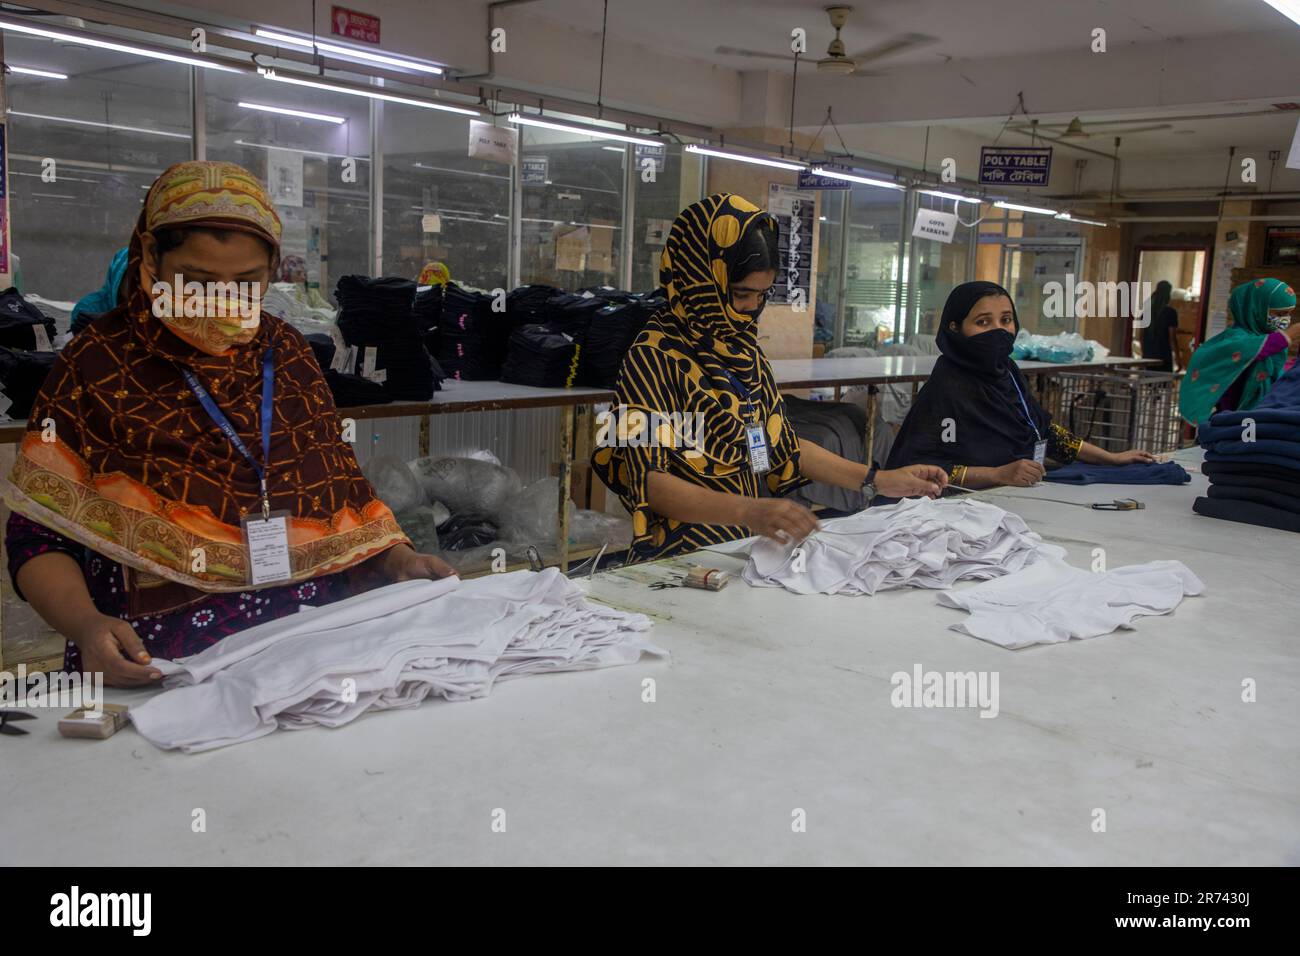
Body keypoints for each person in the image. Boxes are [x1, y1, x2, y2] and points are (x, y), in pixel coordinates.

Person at [2, 160, 455, 687]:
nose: (221, 300)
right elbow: (38, 535)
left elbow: (340, 496)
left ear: (273, 269)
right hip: (157, 661)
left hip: (309, 653)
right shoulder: (98, 363)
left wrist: (397, 563)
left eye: (246, 282)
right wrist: (85, 625)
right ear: (150, 256)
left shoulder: (287, 354)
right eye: (196, 281)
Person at [591, 193, 946, 562]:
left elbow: (782, 447)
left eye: (762, 294)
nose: (750, 308)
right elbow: (650, 482)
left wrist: (879, 479)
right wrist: (747, 510)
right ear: (699, 277)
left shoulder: (742, 352)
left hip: (742, 550)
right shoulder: (653, 359)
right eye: (741, 293)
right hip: (679, 558)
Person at [886, 281, 1157, 489]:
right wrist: (998, 473)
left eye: (1005, 320)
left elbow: (1042, 430)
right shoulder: (949, 387)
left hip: (1016, 494)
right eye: (983, 322)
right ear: (955, 329)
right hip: (960, 510)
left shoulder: (1007, 372)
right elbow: (923, 467)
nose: (999, 331)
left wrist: (1112, 458)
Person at [1179, 277, 1299, 426]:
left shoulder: (1270, 342)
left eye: (1288, 313)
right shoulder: (1235, 339)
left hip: (1258, 422)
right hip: (1230, 422)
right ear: (1256, 309)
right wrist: (1289, 335)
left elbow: (1279, 373)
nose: (1285, 320)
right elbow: (1250, 350)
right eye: (1279, 314)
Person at [69, 247, 128, 336]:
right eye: (132, 277)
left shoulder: (147, 306)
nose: (137, 284)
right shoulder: (88, 308)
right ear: (118, 278)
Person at [1139, 279, 1179, 372]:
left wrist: (1144, 354)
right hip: (1163, 358)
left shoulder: (1146, 312)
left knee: (1148, 385)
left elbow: (1141, 336)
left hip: (1148, 357)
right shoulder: (1170, 313)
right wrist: (1178, 359)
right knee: (1162, 384)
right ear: (1168, 294)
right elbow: (1172, 338)